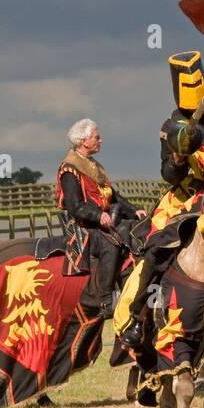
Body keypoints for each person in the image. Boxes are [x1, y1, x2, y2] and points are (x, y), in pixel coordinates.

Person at [115, 52, 204, 348]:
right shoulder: (173, 122)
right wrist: (178, 156)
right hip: (188, 196)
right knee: (156, 248)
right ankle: (138, 317)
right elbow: (168, 174)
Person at [56, 119, 147, 318]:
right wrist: (98, 215)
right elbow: (74, 205)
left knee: (133, 230)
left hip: (104, 221)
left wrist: (135, 211)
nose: (101, 140)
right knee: (112, 243)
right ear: (83, 141)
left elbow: (112, 196)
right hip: (84, 226)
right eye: (97, 137)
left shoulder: (93, 166)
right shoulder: (69, 169)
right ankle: (106, 300)